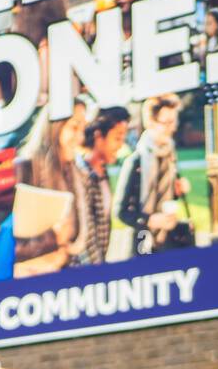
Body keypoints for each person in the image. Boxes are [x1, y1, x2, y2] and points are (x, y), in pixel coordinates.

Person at [10, 102, 88, 276]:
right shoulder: (25, 169)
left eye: (83, 128)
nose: (80, 137)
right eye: (74, 127)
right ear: (55, 127)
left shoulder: (76, 173)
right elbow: (9, 244)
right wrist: (54, 238)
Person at [115, 95, 190, 255]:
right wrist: (150, 220)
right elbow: (120, 212)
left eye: (174, 121)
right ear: (151, 123)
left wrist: (177, 192)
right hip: (142, 244)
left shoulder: (170, 155)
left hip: (169, 243)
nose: (173, 127)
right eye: (167, 122)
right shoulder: (136, 162)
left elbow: (164, 196)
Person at [73, 107, 131, 266]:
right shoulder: (83, 175)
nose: (121, 145)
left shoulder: (102, 173)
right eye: (117, 138)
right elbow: (85, 237)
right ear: (99, 136)